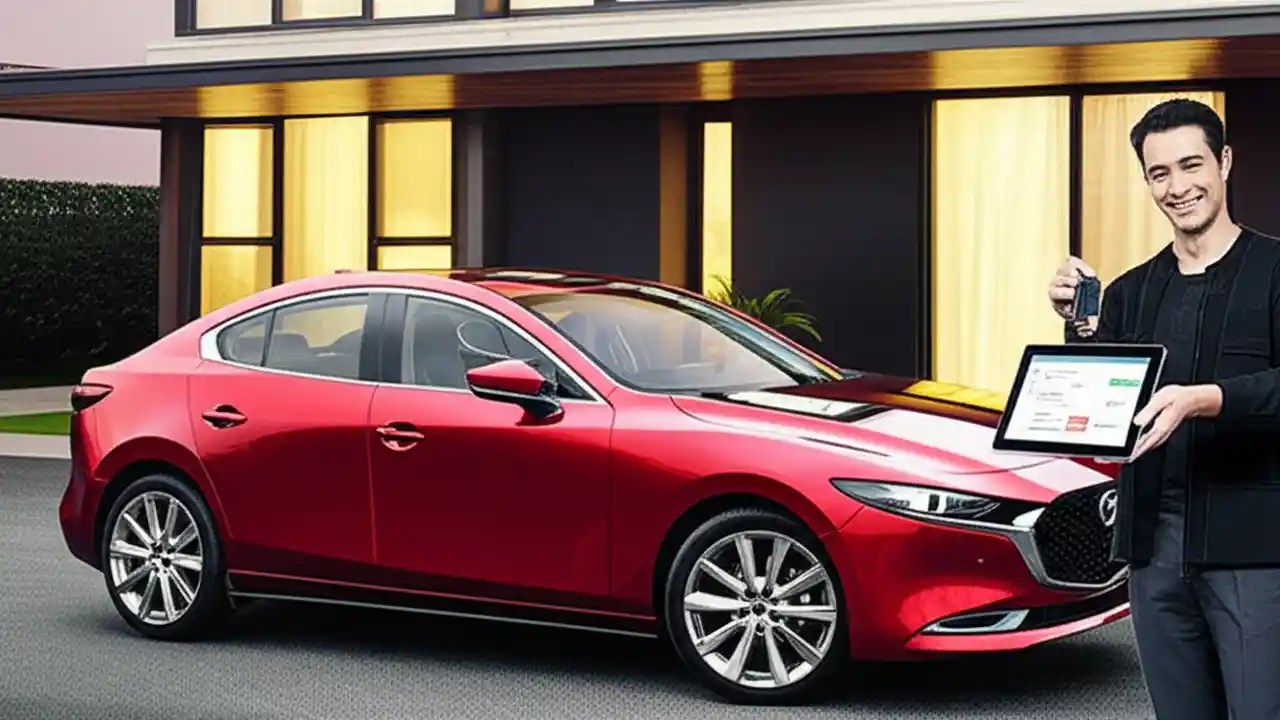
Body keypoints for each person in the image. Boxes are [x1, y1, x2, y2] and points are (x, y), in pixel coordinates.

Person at [1046, 98, 1280, 719]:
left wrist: (1208, 399)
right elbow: (1101, 411)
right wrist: (1081, 327)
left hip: (1254, 552)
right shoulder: (1128, 292)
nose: (1178, 187)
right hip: (1153, 552)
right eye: (1159, 173)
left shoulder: (1277, 271)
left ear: (1224, 162)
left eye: (1191, 165)